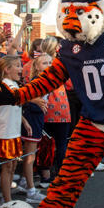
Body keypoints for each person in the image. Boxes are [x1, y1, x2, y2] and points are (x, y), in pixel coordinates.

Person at [0, 55, 31, 203]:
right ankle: (6, 200)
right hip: (4, 132)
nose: (21, 69)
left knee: (13, 165)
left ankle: (7, 196)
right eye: (18, 66)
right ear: (7, 69)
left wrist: (24, 121)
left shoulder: (13, 84)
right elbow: (16, 98)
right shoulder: (4, 85)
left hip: (13, 130)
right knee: (7, 167)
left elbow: (15, 106)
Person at [18, 54, 50, 203]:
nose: (48, 65)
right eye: (45, 63)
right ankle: (31, 191)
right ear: (36, 66)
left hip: (38, 117)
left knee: (31, 154)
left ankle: (25, 181)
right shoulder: (37, 81)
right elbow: (22, 97)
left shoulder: (46, 79)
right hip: (31, 117)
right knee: (29, 156)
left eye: (50, 62)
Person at [40, 36, 70, 180]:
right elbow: (70, 84)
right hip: (59, 109)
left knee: (46, 144)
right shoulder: (61, 64)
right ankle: (58, 172)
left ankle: (46, 173)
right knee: (60, 143)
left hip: (46, 110)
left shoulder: (37, 63)